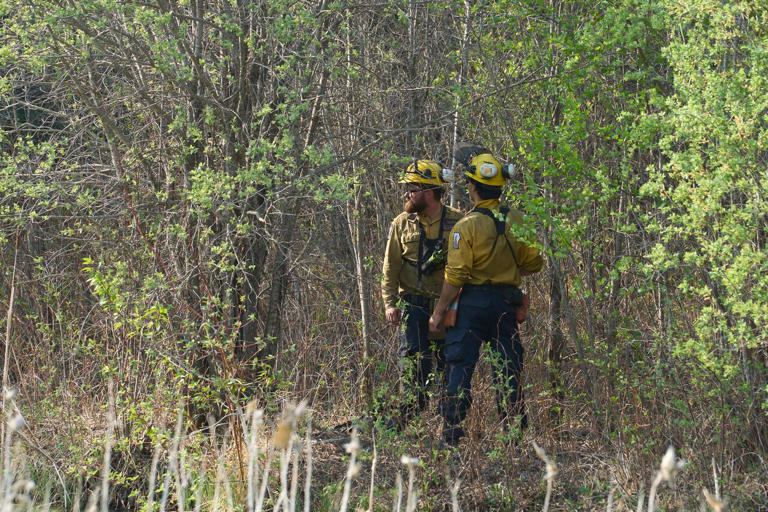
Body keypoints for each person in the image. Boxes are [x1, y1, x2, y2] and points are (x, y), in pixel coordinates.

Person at [428, 145, 543, 447]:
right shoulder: (518, 220)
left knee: (459, 365)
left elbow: (456, 276)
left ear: (473, 188)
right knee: (509, 368)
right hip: (506, 303)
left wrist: (439, 312)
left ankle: (451, 435)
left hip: (472, 305)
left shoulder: (465, 226)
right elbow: (534, 263)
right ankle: (514, 436)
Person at [381, 159, 463, 430]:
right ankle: (404, 421)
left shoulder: (459, 221)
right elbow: (390, 267)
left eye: (411, 189)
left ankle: (447, 426)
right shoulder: (401, 223)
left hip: (449, 308)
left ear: (429, 192)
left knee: (448, 365)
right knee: (413, 363)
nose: (406, 194)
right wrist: (390, 304)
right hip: (413, 305)